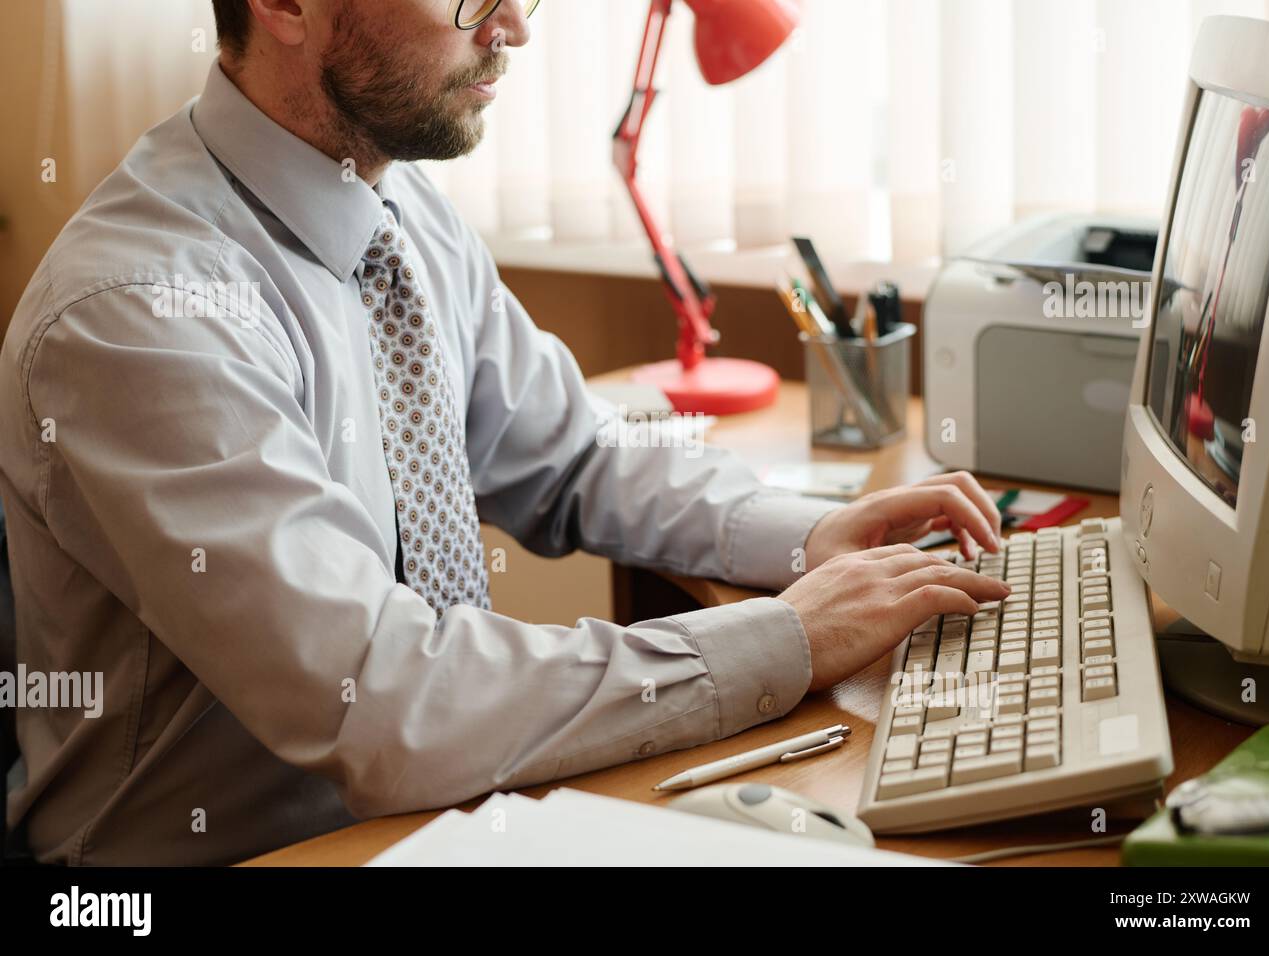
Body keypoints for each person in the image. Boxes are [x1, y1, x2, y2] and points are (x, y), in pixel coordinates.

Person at [0, 0, 1009, 865]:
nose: (516, 27)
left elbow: (575, 455)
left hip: (442, 817)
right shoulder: (141, 310)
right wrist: (783, 637)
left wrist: (804, 533)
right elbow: (385, 697)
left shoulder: (399, 209)